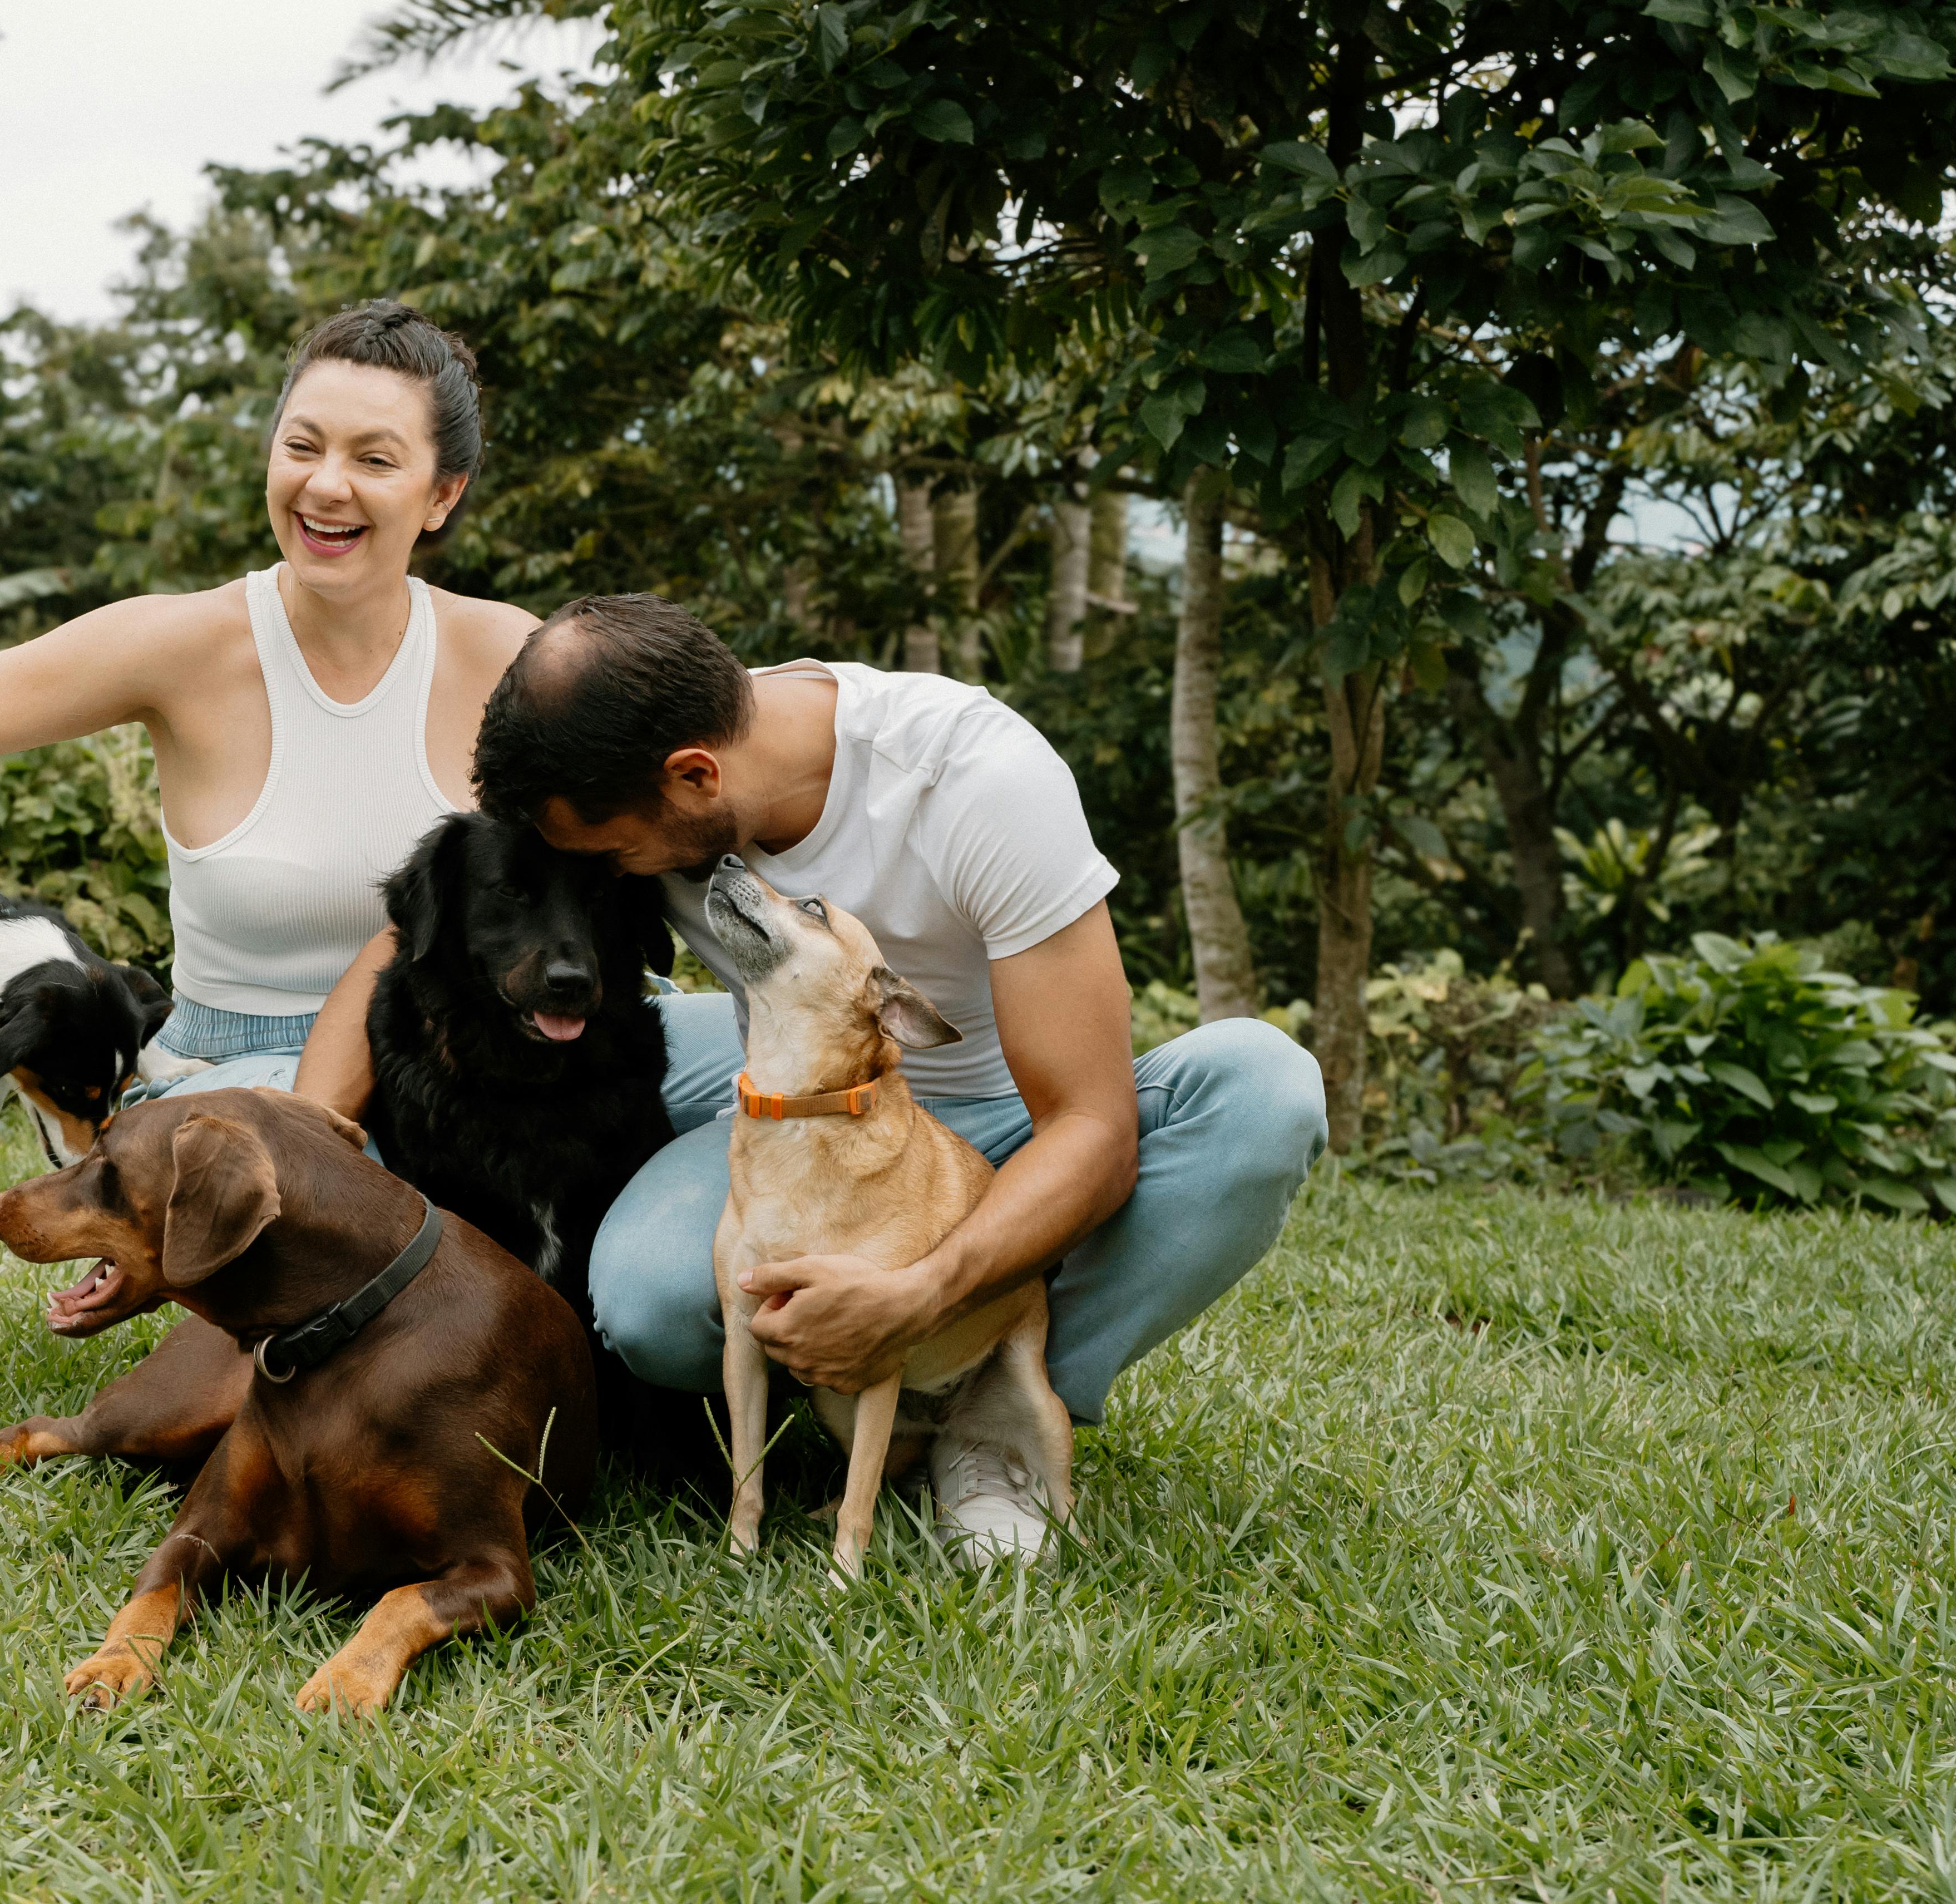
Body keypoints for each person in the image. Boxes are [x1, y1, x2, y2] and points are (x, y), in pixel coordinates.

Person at [468, 593, 1327, 1536]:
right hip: (802, 1095)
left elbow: (1091, 1123)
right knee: (652, 1302)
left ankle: (987, 1414)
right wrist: (312, 1110)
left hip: (1000, 1108)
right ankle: (842, 1387)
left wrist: (921, 1295)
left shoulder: (973, 779)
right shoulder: (626, 754)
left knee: (1267, 1090)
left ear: (695, 776)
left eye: (621, 853)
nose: (621, 874)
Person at [0, 299, 532, 1114]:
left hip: (460, 1061)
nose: (325, 485)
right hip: (232, 1083)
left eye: (375, 461)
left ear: (442, 495)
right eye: (302, 446)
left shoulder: (509, 657)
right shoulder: (184, 644)